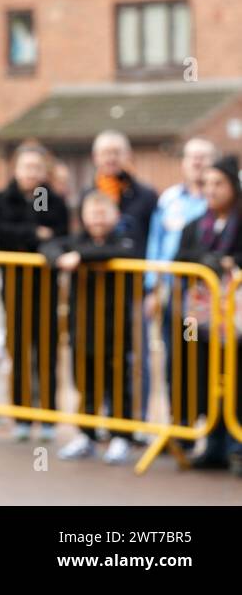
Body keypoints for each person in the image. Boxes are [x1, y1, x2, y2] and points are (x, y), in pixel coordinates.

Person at [66, 130, 157, 464]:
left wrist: (152, 287)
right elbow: (74, 241)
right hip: (91, 302)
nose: (111, 158)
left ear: (127, 154)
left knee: (129, 365)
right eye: (105, 152)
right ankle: (89, 432)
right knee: (88, 366)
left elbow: (143, 243)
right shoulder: (88, 193)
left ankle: (127, 431)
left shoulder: (145, 196)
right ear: (95, 158)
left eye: (117, 151)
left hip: (131, 294)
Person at [48, 191, 138, 461]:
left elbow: (120, 252)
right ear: (83, 217)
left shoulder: (123, 240)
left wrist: (80, 257)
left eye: (103, 213)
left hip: (115, 327)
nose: (97, 218)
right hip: (83, 326)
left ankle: (121, 436)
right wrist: (61, 257)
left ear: (115, 216)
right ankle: (86, 434)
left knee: (118, 382)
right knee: (84, 382)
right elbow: (49, 248)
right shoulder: (74, 240)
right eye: (92, 213)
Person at [0, 142, 71, 441]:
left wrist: (32, 234)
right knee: (19, 349)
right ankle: (22, 414)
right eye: (26, 167)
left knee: (47, 350)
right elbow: (1, 233)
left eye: (37, 168)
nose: (32, 174)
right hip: (14, 285)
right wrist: (35, 234)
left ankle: (47, 415)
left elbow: (60, 233)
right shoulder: (2, 199)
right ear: (16, 169)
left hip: (46, 286)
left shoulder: (52, 199)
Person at [172, 155, 242, 474]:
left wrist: (227, 263)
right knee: (205, 375)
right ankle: (212, 442)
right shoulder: (195, 225)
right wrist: (205, 258)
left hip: (237, 320)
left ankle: (236, 443)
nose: (212, 190)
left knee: (236, 377)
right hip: (199, 319)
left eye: (219, 184)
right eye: (207, 184)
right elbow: (179, 258)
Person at [143, 138, 215, 439]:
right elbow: (156, 244)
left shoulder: (220, 198)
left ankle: (213, 427)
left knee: (209, 361)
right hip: (176, 297)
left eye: (203, 157)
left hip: (210, 299)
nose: (197, 162)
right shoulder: (170, 199)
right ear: (183, 162)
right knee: (178, 359)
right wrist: (152, 288)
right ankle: (181, 423)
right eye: (192, 157)